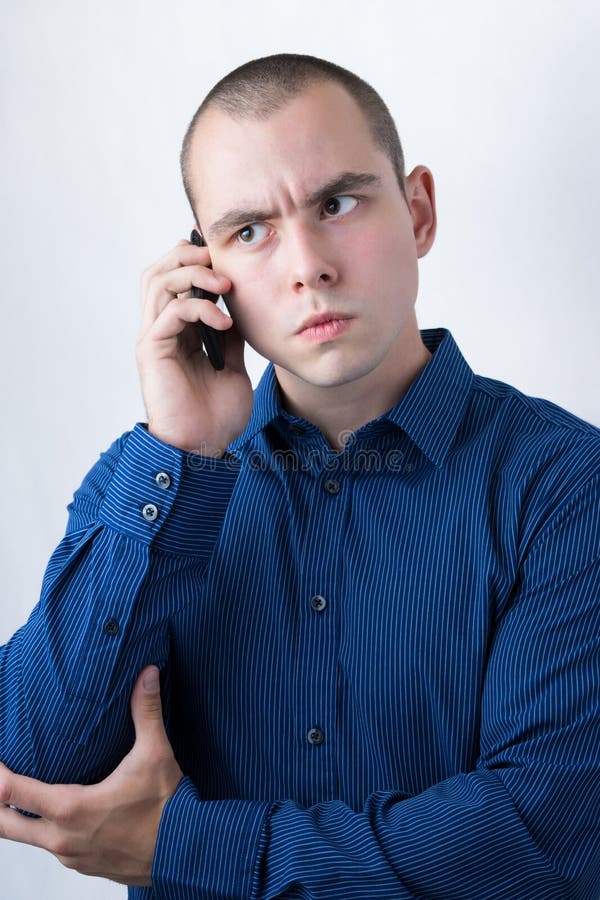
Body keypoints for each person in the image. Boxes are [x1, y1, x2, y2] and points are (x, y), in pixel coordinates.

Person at [0, 52, 599, 899]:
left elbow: (536, 835)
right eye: (251, 230)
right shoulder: (152, 485)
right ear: (206, 271)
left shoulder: (568, 486)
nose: (307, 263)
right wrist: (184, 458)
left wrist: (191, 845)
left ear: (418, 210)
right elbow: (31, 770)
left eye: (337, 202)